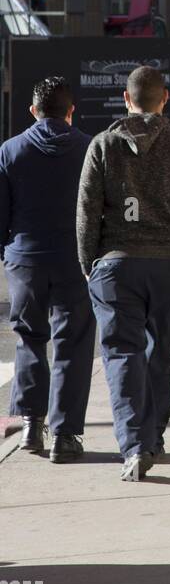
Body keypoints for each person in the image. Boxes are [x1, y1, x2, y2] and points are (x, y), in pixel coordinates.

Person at [76, 66, 170, 481]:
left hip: (115, 264)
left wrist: (89, 264)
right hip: (169, 265)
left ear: (126, 98)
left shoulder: (102, 146)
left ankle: (134, 446)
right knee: (161, 353)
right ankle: (155, 436)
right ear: (165, 99)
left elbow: (86, 213)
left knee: (122, 354)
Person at [0, 77, 94, 462]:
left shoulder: (10, 151)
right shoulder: (89, 149)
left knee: (29, 339)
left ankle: (31, 426)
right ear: (71, 112)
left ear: (34, 111)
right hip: (75, 260)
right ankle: (66, 434)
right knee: (73, 342)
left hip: (25, 260)